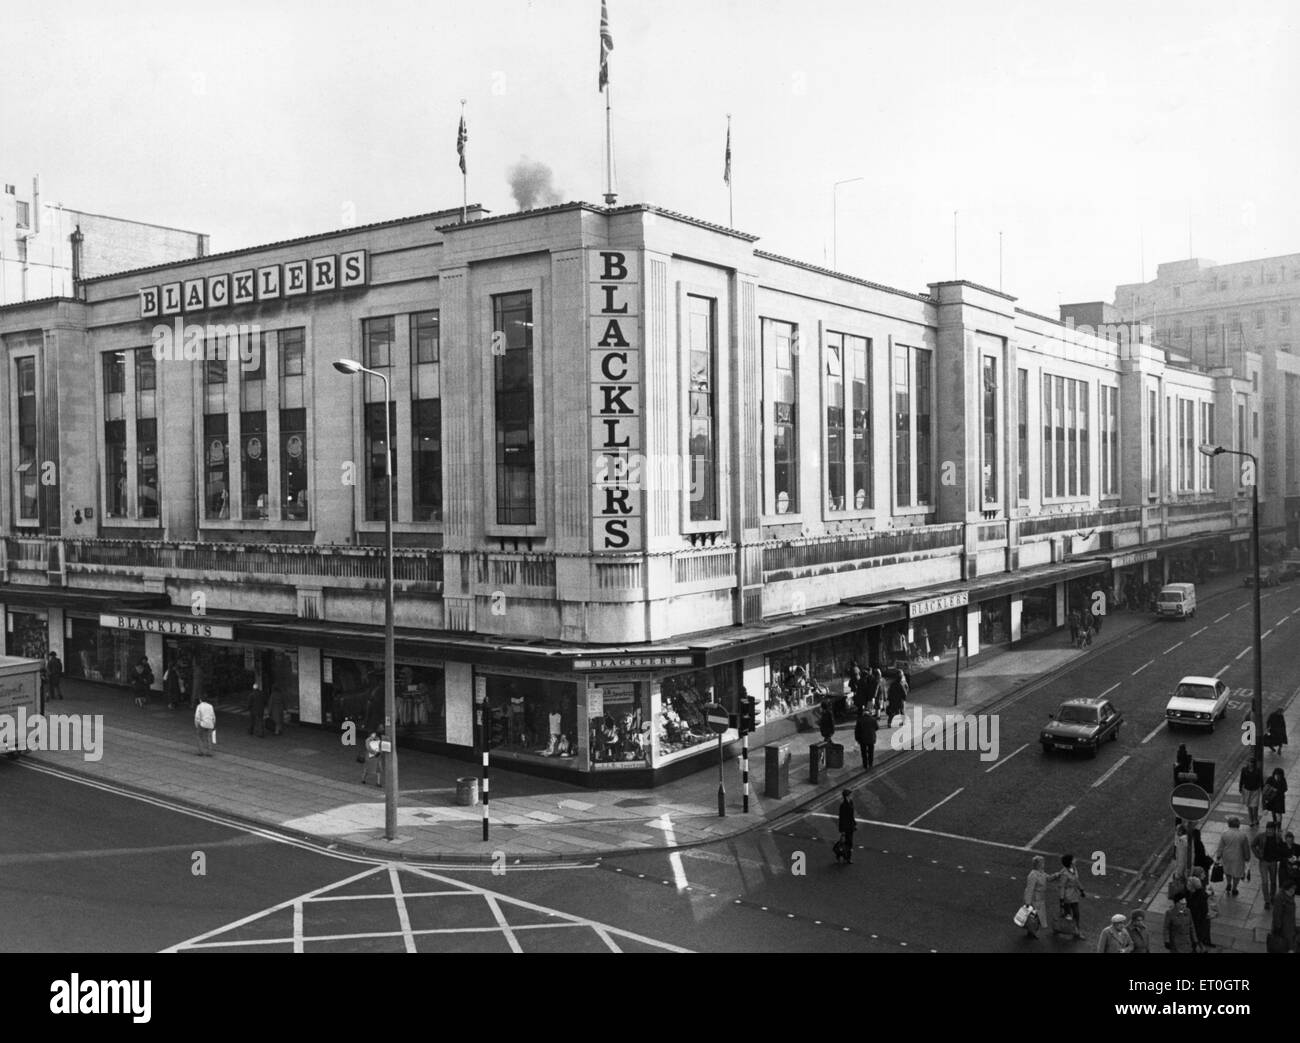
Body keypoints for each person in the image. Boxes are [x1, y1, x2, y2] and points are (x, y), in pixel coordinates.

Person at [1215, 816, 1252, 896]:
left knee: (1228, 870)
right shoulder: (1242, 835)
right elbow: (1246, 848)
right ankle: (1234, 888)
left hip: (1227, 856)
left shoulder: (1225, 834)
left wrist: (1218, 855)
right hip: (1238, 856)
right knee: (1237, 873)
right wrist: (1247, 857)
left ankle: (1228, 883)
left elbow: (1221, 846)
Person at [1054, 853, 1087, 940]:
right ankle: (1060, 928)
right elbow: (1062, 887)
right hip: (1067, 897)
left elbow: (1076, 880)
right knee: (1067, 915)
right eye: (1073, 859)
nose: (1075, 860)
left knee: (1076, 915)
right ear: (1070, 862)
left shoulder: (1074, 869)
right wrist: (1061, 900)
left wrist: (1081, 889)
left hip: (1074, 896)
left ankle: (1076, 932)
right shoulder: (1064, 874)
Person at [1253, 821, 1285, 909]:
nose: (1269, 831)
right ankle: (1267, 900)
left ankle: (1272, 896)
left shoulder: (1277, 837)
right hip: (1263, 861)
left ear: (1274, 830)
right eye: (1268, 829)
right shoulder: (1261, 836)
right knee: (1265, 882)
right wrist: (1258, 855)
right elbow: (1253, 845)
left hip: (1273, 862)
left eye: (1271, 829)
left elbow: (1282, 847)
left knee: (1273, 881)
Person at [1022, 856, 1050, 939]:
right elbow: (1030, 889)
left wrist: (1057, 875)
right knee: (1035, 916)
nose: (1044, 864)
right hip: (1035, 899)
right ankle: (1032, 932)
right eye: (1042, 863)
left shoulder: (1041, 873)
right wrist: (1028, 902)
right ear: (1039, 864)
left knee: (1035, 916)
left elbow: (1048, 877)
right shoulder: (1033, 875)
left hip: (1039, 898)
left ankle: (1031, 931)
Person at [1186, 874, 1213, 950]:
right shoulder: (1200, 894)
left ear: (1192, 887)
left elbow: (1198, 910)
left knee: (1195, 937)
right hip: (1199, 922)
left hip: (1196, 921)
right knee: (1198, 937)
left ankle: (1198, 948)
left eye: (1188, 884)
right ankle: (1202, 948)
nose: (1187, 885)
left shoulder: (1197, 898)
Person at [1271, 879, 1297, 954]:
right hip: (1283, 929)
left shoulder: (1289, 896)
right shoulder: (1280, 898)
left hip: (1289, 927)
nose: (1293, 890)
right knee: (1285, 946)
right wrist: (1277, 928)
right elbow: (1276, 914)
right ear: (1286, 888)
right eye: (1291, 888)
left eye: (1294, 889)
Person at [1240, 756, 1264, 827]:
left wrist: (1262, 788)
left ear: (1254, 764)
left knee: (1255, 806)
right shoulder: (1244, 770)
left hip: (1255, 790)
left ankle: (1255, 819)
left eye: (1252, 763)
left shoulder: (1257, 771)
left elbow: (1260, 780)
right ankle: (1251, 820)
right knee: (1249, 806)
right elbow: (1242, 779)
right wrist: (1240, 788)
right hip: (1247, 790)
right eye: (1249, 762)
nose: (1250, 764)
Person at [836, 790, 856, 864]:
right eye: (850, 795)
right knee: (846, 843)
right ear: (846, 796)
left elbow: (851, 815)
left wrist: (854, 823)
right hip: (845, 828)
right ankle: (845, 857)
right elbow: (842, 818)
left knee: (849, 843)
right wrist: (842, 830)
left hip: (850, 826)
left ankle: (846, 857)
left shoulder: (850, 802)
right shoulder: (843, 806)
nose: (852, 796)